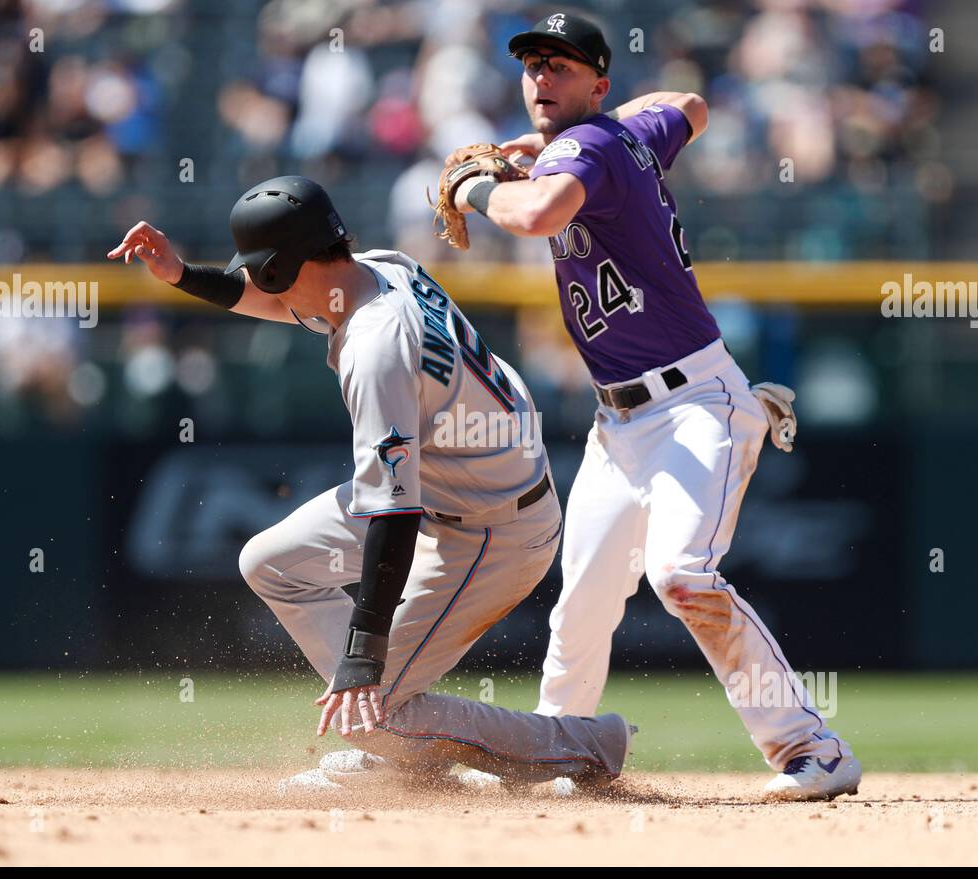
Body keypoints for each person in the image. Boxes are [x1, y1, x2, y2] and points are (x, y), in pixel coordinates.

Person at [447, 12, 860, 800]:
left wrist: (478, 186)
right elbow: (693, 105)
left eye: (561, 67)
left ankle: (816, 749)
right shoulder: (615, 138)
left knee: (681, 575)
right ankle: (555, 751)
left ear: (597, 82)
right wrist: (600, 129)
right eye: (533, 65)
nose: (541, 79)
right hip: (621, 422)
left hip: (696, 404)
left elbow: (532, 217)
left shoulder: (590, 147)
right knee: (583, 605)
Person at [107, 175, 633, 791]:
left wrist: (361, 659)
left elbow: (394, 515)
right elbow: (278, 300)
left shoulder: (376, 347)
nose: (256, 279)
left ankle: (585, 745)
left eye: (261, 268)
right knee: (271, 562)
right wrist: (179, 274)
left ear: (281, 267)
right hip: (456, 486)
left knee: (368, 708)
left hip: (492, 530)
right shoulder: (375, 268)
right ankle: (400, 741)